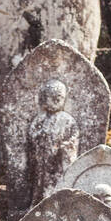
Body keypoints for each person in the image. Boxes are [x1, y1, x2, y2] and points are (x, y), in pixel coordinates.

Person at [26, 78, 80, 208]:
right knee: (41, 184)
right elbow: (31, 137)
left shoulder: (68, 120)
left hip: (59, 162)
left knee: (60, 184)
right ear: (44, 99)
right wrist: (40, 139)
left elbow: (73, 139)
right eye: (52, 97)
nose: (56, 100)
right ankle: (39, 206)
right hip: (43, 160)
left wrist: (66, 148)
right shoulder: (40, 119)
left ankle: (62, 205)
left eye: (59, 97)